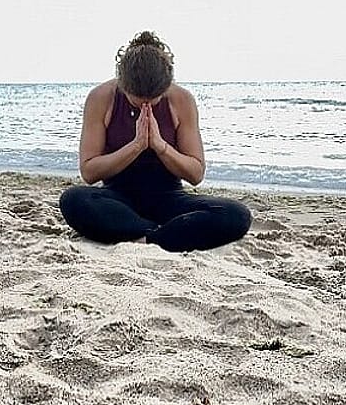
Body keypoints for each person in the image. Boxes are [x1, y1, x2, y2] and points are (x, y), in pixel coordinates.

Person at [58, 30, 252, 252]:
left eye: (154, 100)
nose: (145, 107)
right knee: (73, 200)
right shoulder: (101, 98)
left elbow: (195, 174)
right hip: (117, 198)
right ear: (123, 85)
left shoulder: (181, 100)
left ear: (166, 86)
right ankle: (164, 234)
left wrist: (161, 146)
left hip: (168, 198)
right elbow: (89, 172)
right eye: (137, 101)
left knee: (236, 215)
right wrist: (136, 146)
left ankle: (145, 236)